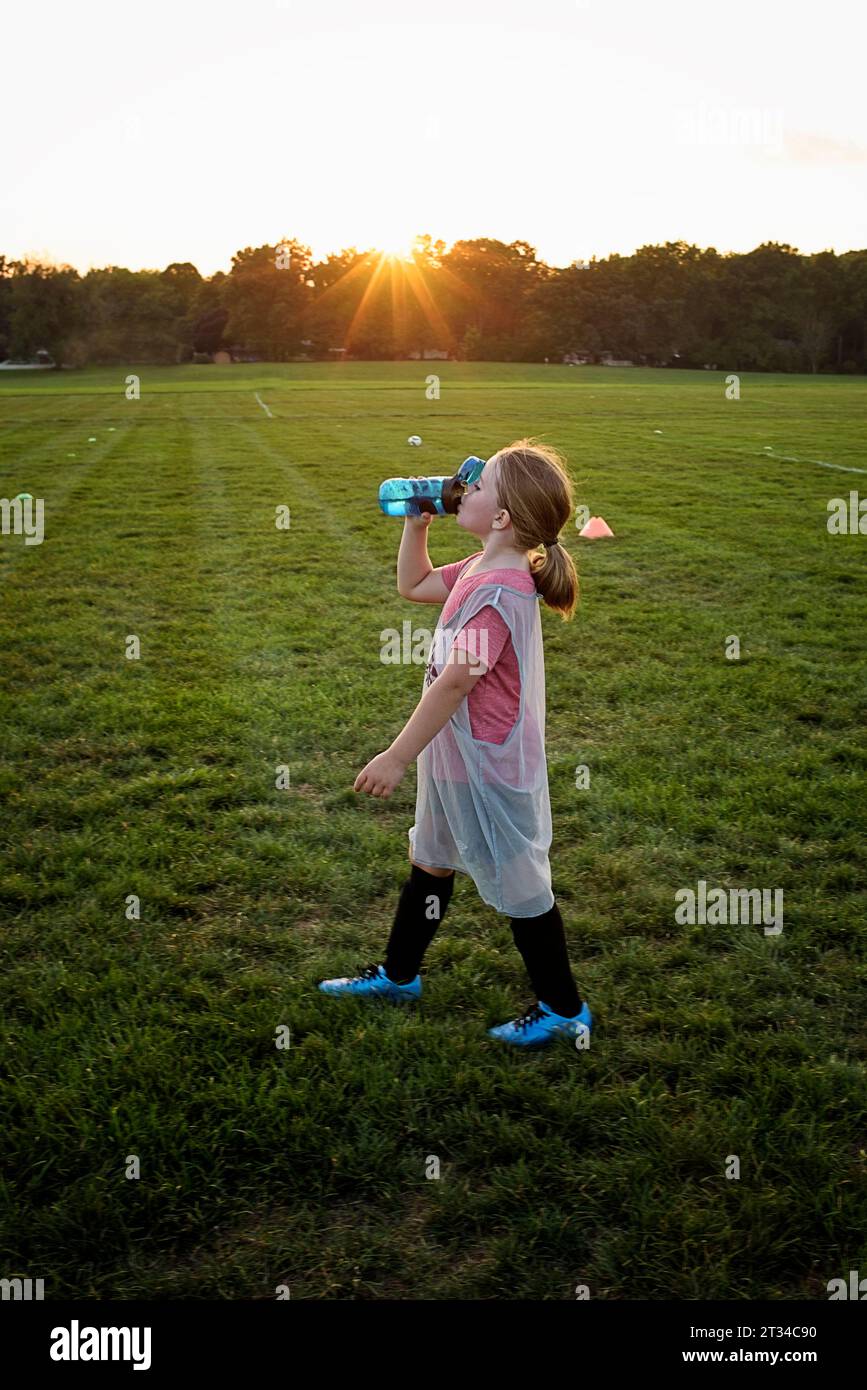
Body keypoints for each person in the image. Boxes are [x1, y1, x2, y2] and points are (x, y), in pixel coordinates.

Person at [318, 439, 592, 1050]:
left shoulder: (499, 592)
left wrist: (395, 756)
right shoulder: (477, 568)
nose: (461, 484)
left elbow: (456, 682)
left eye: (480, 481)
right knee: (432, 860)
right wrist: (415, 526)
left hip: (491, 764)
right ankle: (398, 976)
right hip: (456, 756)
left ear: (501, 519)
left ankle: (564, 1009)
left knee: (523, 888)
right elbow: (414, 586)